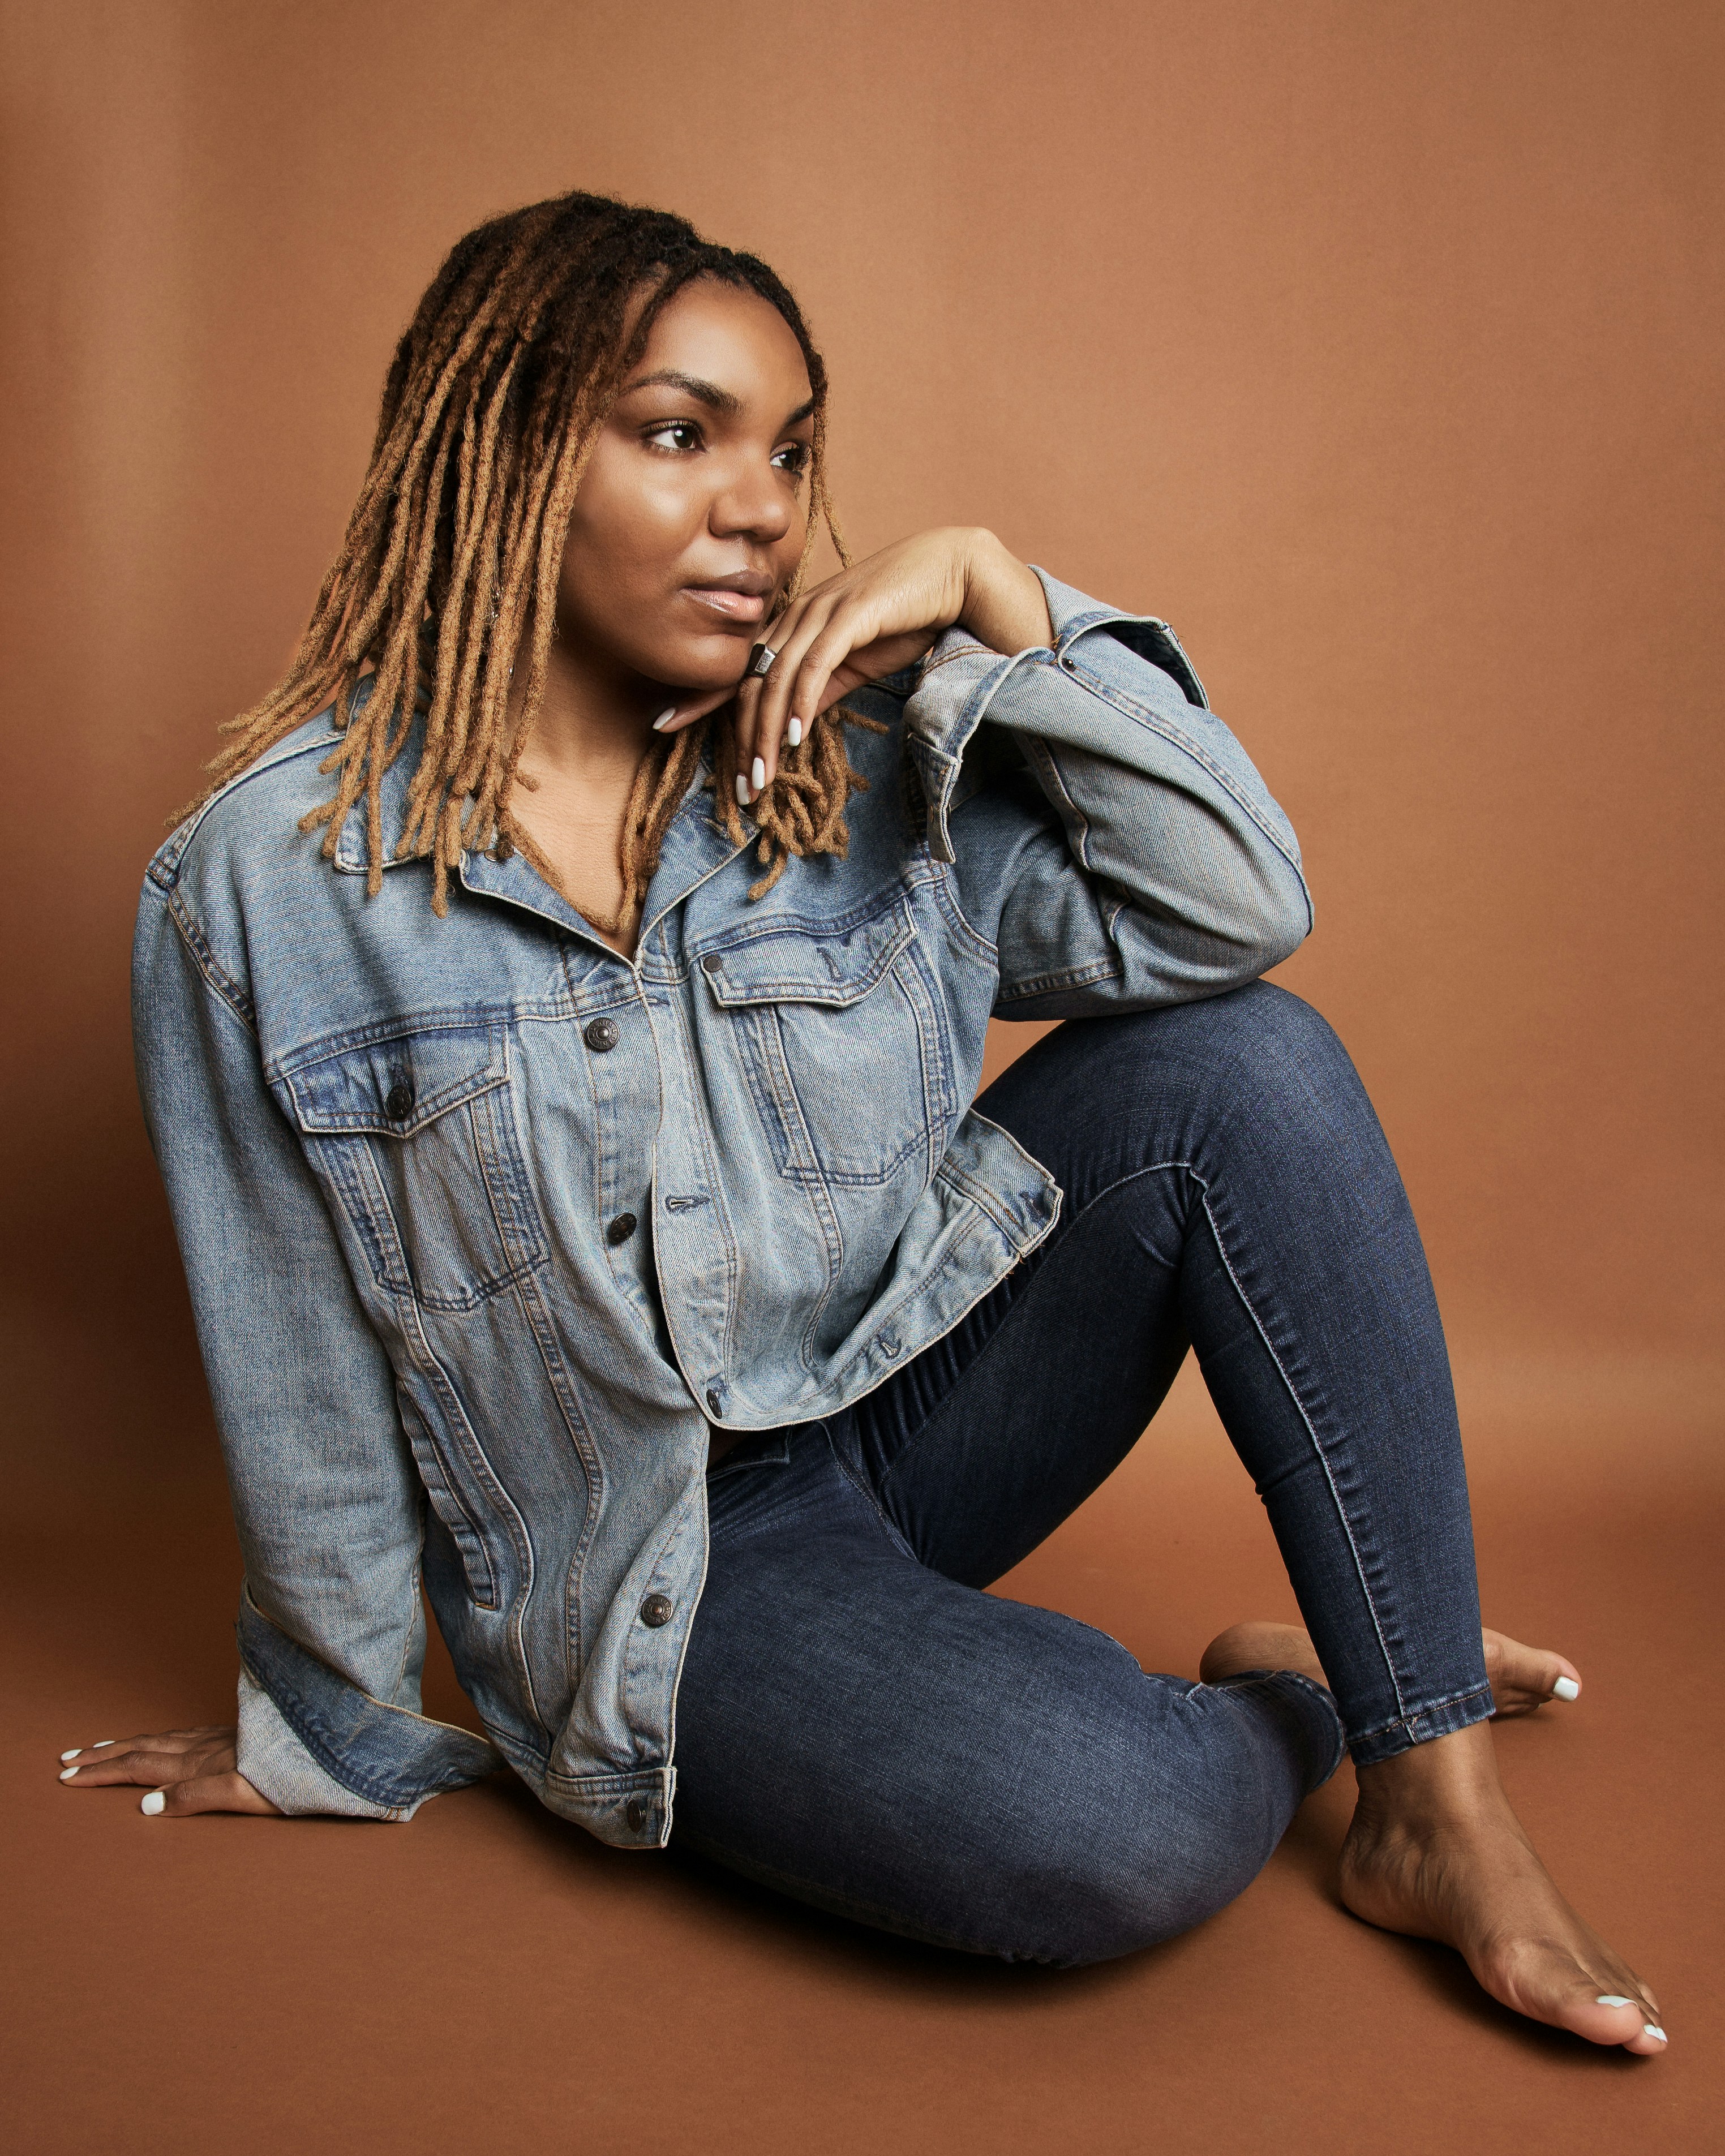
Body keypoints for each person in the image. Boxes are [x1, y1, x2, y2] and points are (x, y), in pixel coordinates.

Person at [63, 191, 1663, 2054]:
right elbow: (300, 1370)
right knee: (1110, 1827)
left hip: (917, 1405)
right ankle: (1302, 1691)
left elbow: (1235, 909)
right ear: (503, 459)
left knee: (1254, 1062)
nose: (762, 503)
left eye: (793, 448)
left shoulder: (857, 760)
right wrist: (331, 1721)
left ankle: (1433, 1803)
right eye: (681, 434)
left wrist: (1002, 596)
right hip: (666, 1580)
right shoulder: (264, 884)